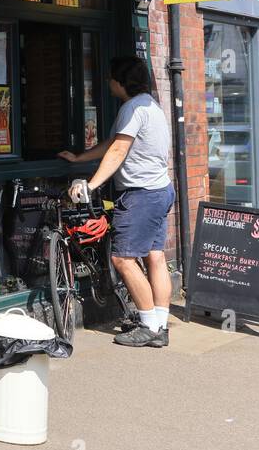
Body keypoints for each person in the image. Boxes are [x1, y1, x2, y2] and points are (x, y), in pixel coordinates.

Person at [58, 56, 174, 348]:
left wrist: (91, 184)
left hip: (140, 195)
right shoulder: (152, 106)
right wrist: (80, 157)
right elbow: (113, 144)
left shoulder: (132, 108)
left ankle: (148, 326)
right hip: (160, 191)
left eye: (111, 77)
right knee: (155, 257)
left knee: (122, 258)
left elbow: (119, 150)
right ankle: (160, 322)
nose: (108, 82)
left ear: (121, 82)